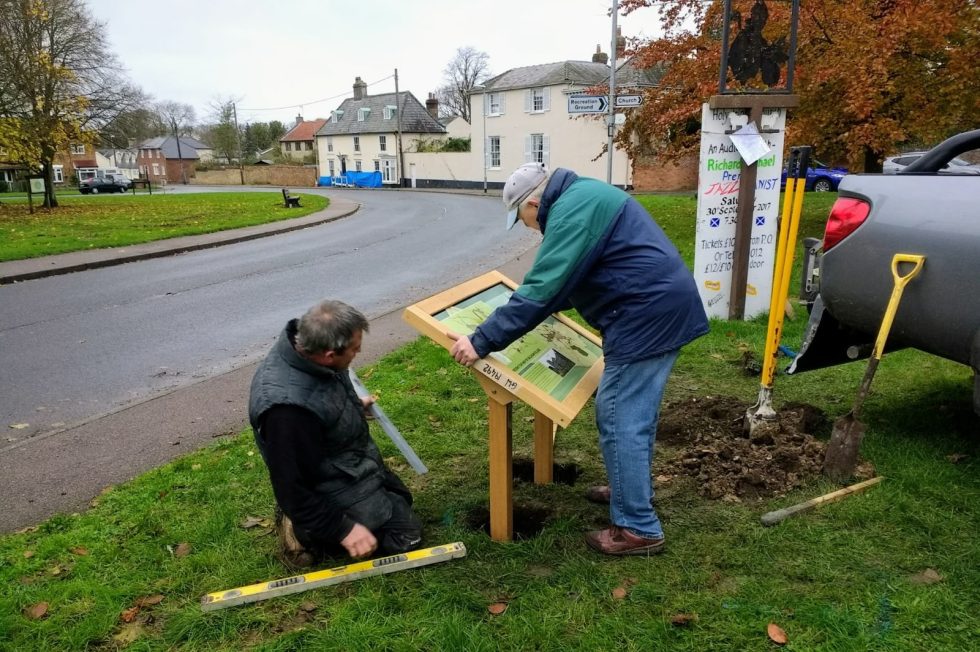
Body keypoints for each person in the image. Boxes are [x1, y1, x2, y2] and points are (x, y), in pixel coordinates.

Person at [449, 162, 708, 556]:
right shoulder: (582, 195)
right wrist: (549, 302)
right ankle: (628, 492)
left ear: (534, 202)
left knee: (621, 417)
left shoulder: (572, 210)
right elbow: (583, 272)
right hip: (654, 307)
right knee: (633, 415)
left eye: (523, 219)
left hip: (644, 315)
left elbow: (543, 285)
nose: (529, 227)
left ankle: (637, 527)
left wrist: (481, 340)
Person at [249, 300, 422, 568]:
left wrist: (350, 410)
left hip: (345, 464)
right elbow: (291, 486)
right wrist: (343, 529)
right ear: (330, 354)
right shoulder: (287, 412)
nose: (358, 353)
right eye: (354, 350)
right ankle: (301, 530)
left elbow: (323, 397)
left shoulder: (308, 352)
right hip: (323, 484)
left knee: (401, 500)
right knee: (405, 536)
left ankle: (320, 521)